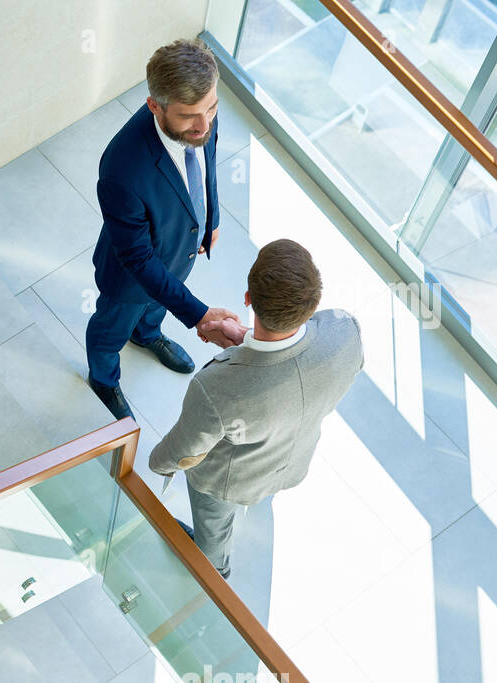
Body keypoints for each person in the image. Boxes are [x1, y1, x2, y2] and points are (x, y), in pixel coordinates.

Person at [148, 239, 364, 579]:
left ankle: (214, 569)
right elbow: (297, 356)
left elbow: (182, 453)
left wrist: (155, 464)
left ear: (247, 299)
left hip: (228, 482)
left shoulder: (217, 387)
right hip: (293, 460)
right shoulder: (344, 330)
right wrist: (249, 339)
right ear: (313, 301)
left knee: (214, 531)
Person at [86, 37, 247, 420]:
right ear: (155, 106)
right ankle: (103, 379)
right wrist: (199, 314)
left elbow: (207, 168)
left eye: (212, 108)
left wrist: (212, 221)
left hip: (178, 254)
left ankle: (147, 334)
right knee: (110, 332)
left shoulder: (202, 114)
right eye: (190, 115)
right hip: (129, 277)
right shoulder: (122, 171)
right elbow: (139, 261)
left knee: (158, 303)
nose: (204, 124)